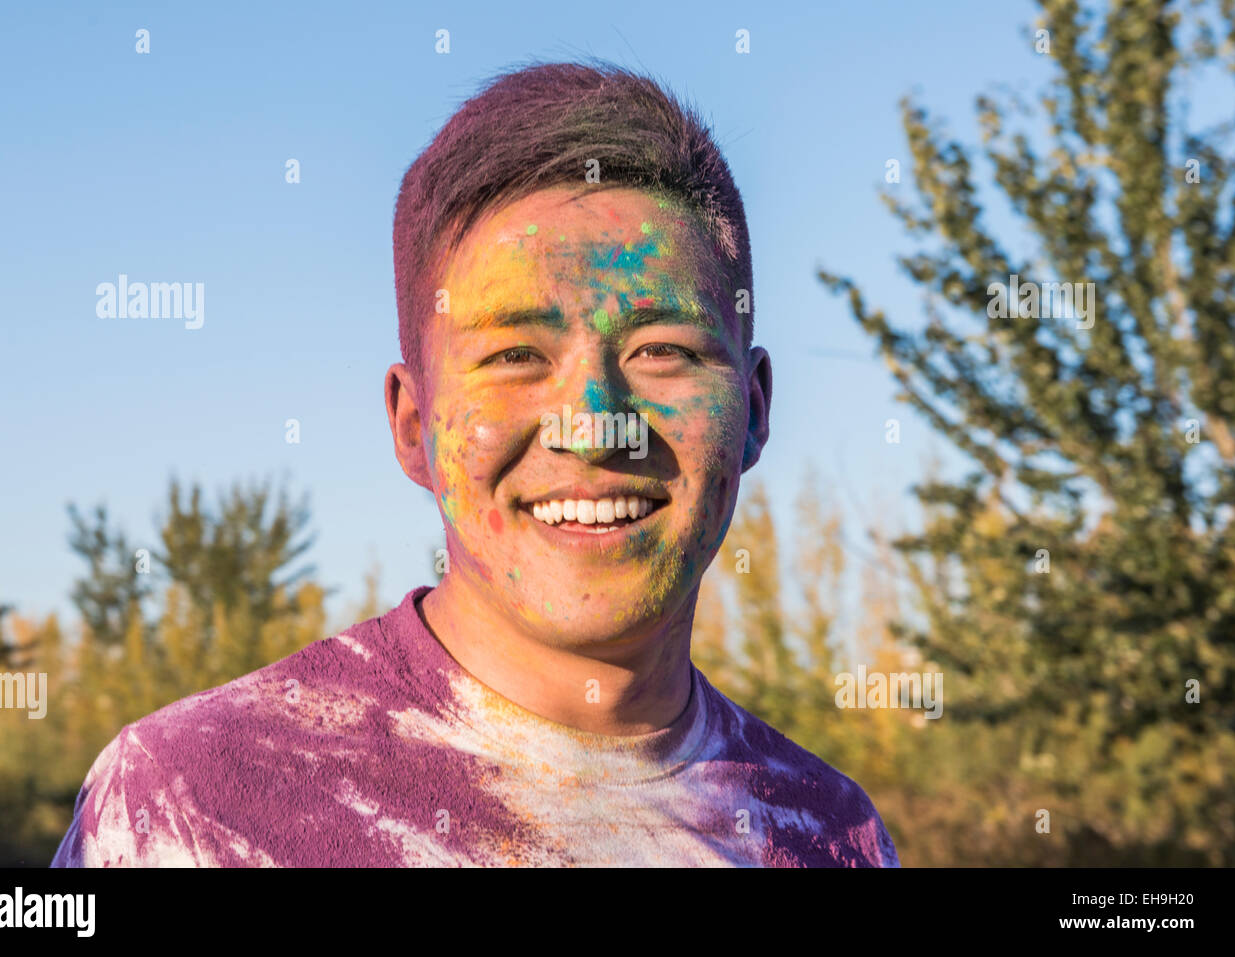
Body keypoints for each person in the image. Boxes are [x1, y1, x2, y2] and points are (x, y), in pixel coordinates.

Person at [52, 61, 900, 867]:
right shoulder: (187, 805)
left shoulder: (832, 829)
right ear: (414, 424)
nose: (595, 425)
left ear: (752, 410)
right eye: (516, 357)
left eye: (662, 349)